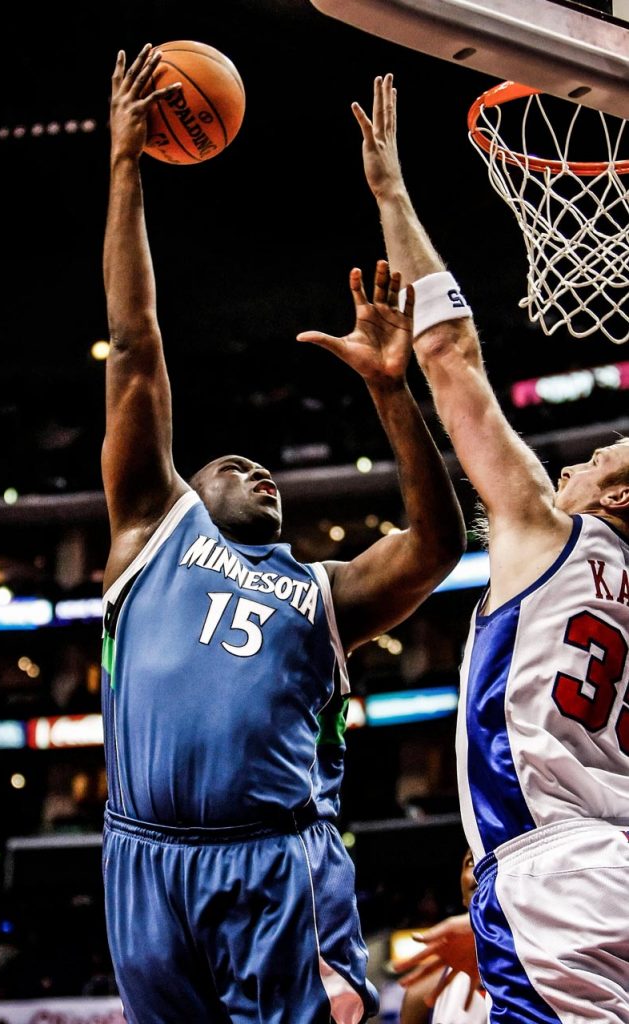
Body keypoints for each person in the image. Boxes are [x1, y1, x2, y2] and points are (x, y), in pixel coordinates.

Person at [99, 44, 466, 1024]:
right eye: (232, 464)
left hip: (273, 862)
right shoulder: (149, 531)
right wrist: (124, 168)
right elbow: (136, 344)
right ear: (188, 485)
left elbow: (435, 542)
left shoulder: (317, 590)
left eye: (267, 474)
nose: (257, 470)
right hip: (139, 855)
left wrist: (391, 394)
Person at [350, 72, 629, 1023]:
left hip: (561, 875)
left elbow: (452, 356)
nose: (583, 454)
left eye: (601, 456)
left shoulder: (551, 532)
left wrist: (392, 194)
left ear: (617, 498)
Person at [399, 847, 487, 1024]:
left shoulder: (548, 956)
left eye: (488, 857)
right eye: (471, 861)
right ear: (463, 896)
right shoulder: (421, 996)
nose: (479, 868)